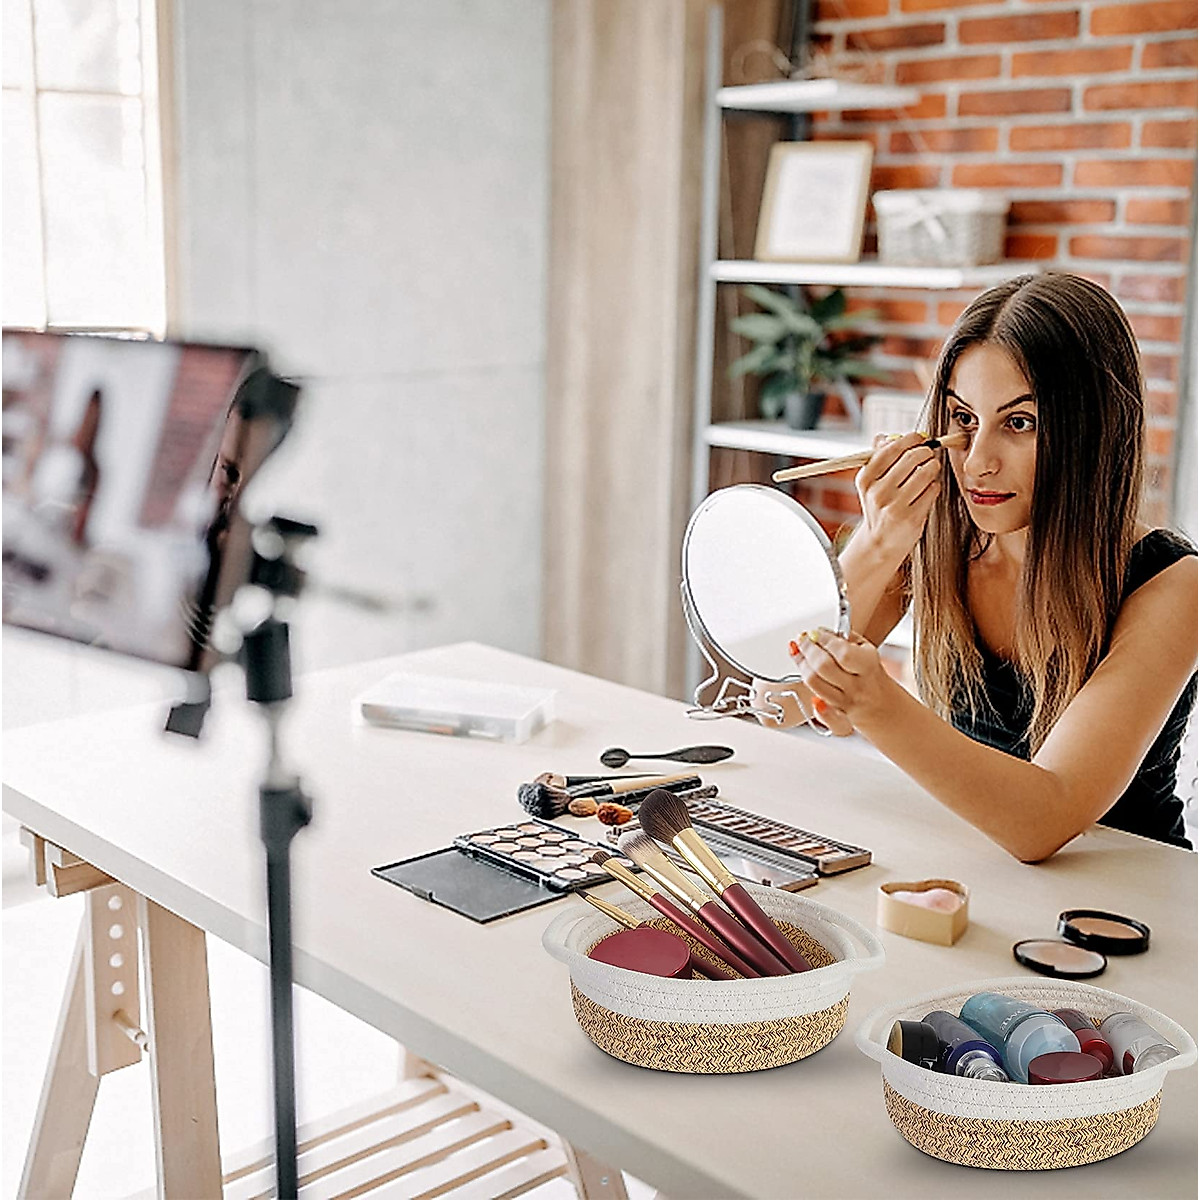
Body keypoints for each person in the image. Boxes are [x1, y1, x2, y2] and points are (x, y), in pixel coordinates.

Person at [784, 271, 1197, 860]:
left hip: (1133, 901)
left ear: (1092, 431)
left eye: (1020, 423)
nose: (978, 463)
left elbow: (1046, 818)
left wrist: (877, 705)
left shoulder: (1169, 583)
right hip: (976, 867)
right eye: (963, 419)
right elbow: (781, 699)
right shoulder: (936, 537)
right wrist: (878, 542)